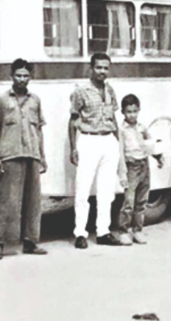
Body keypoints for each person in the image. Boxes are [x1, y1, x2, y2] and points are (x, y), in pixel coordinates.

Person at [0, 59, 48, 261]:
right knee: (8, 202)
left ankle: (31, 242)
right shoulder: (1, 100)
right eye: (18, 75)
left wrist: (42, 156)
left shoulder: (35, 100)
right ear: (11, 77)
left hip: (32, 155)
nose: (22, 79)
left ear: (30, 78)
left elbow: (39, 130)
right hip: (9, 155)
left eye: (26, 76)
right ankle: (1, 244)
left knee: (33, 202)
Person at [69, 53, 124, 248]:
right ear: (91, 69)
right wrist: (73, 147)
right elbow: (73, 120)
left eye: (106, 68)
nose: (102, 71)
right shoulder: (81, 92)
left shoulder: (110, 90)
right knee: (83, 189)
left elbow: (114, 119)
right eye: (99, 67)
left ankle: (103, 231)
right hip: (88, 141)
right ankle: (80, 233)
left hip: (108, 140)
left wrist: (117, 142)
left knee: (106, 190)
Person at [116, 94, 164, 246]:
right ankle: (123, 231)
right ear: (123, 112)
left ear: (139, 110)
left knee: (142, 200)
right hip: (131, 167)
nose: (132, 115)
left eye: (135, 111)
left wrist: (157, 156)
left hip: (144, 165)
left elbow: (149, 144)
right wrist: (122, 173)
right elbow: (120, 152)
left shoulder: (142, 127)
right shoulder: (122, 130)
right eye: (129, 112)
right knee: (129, 201)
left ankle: (137, 230)